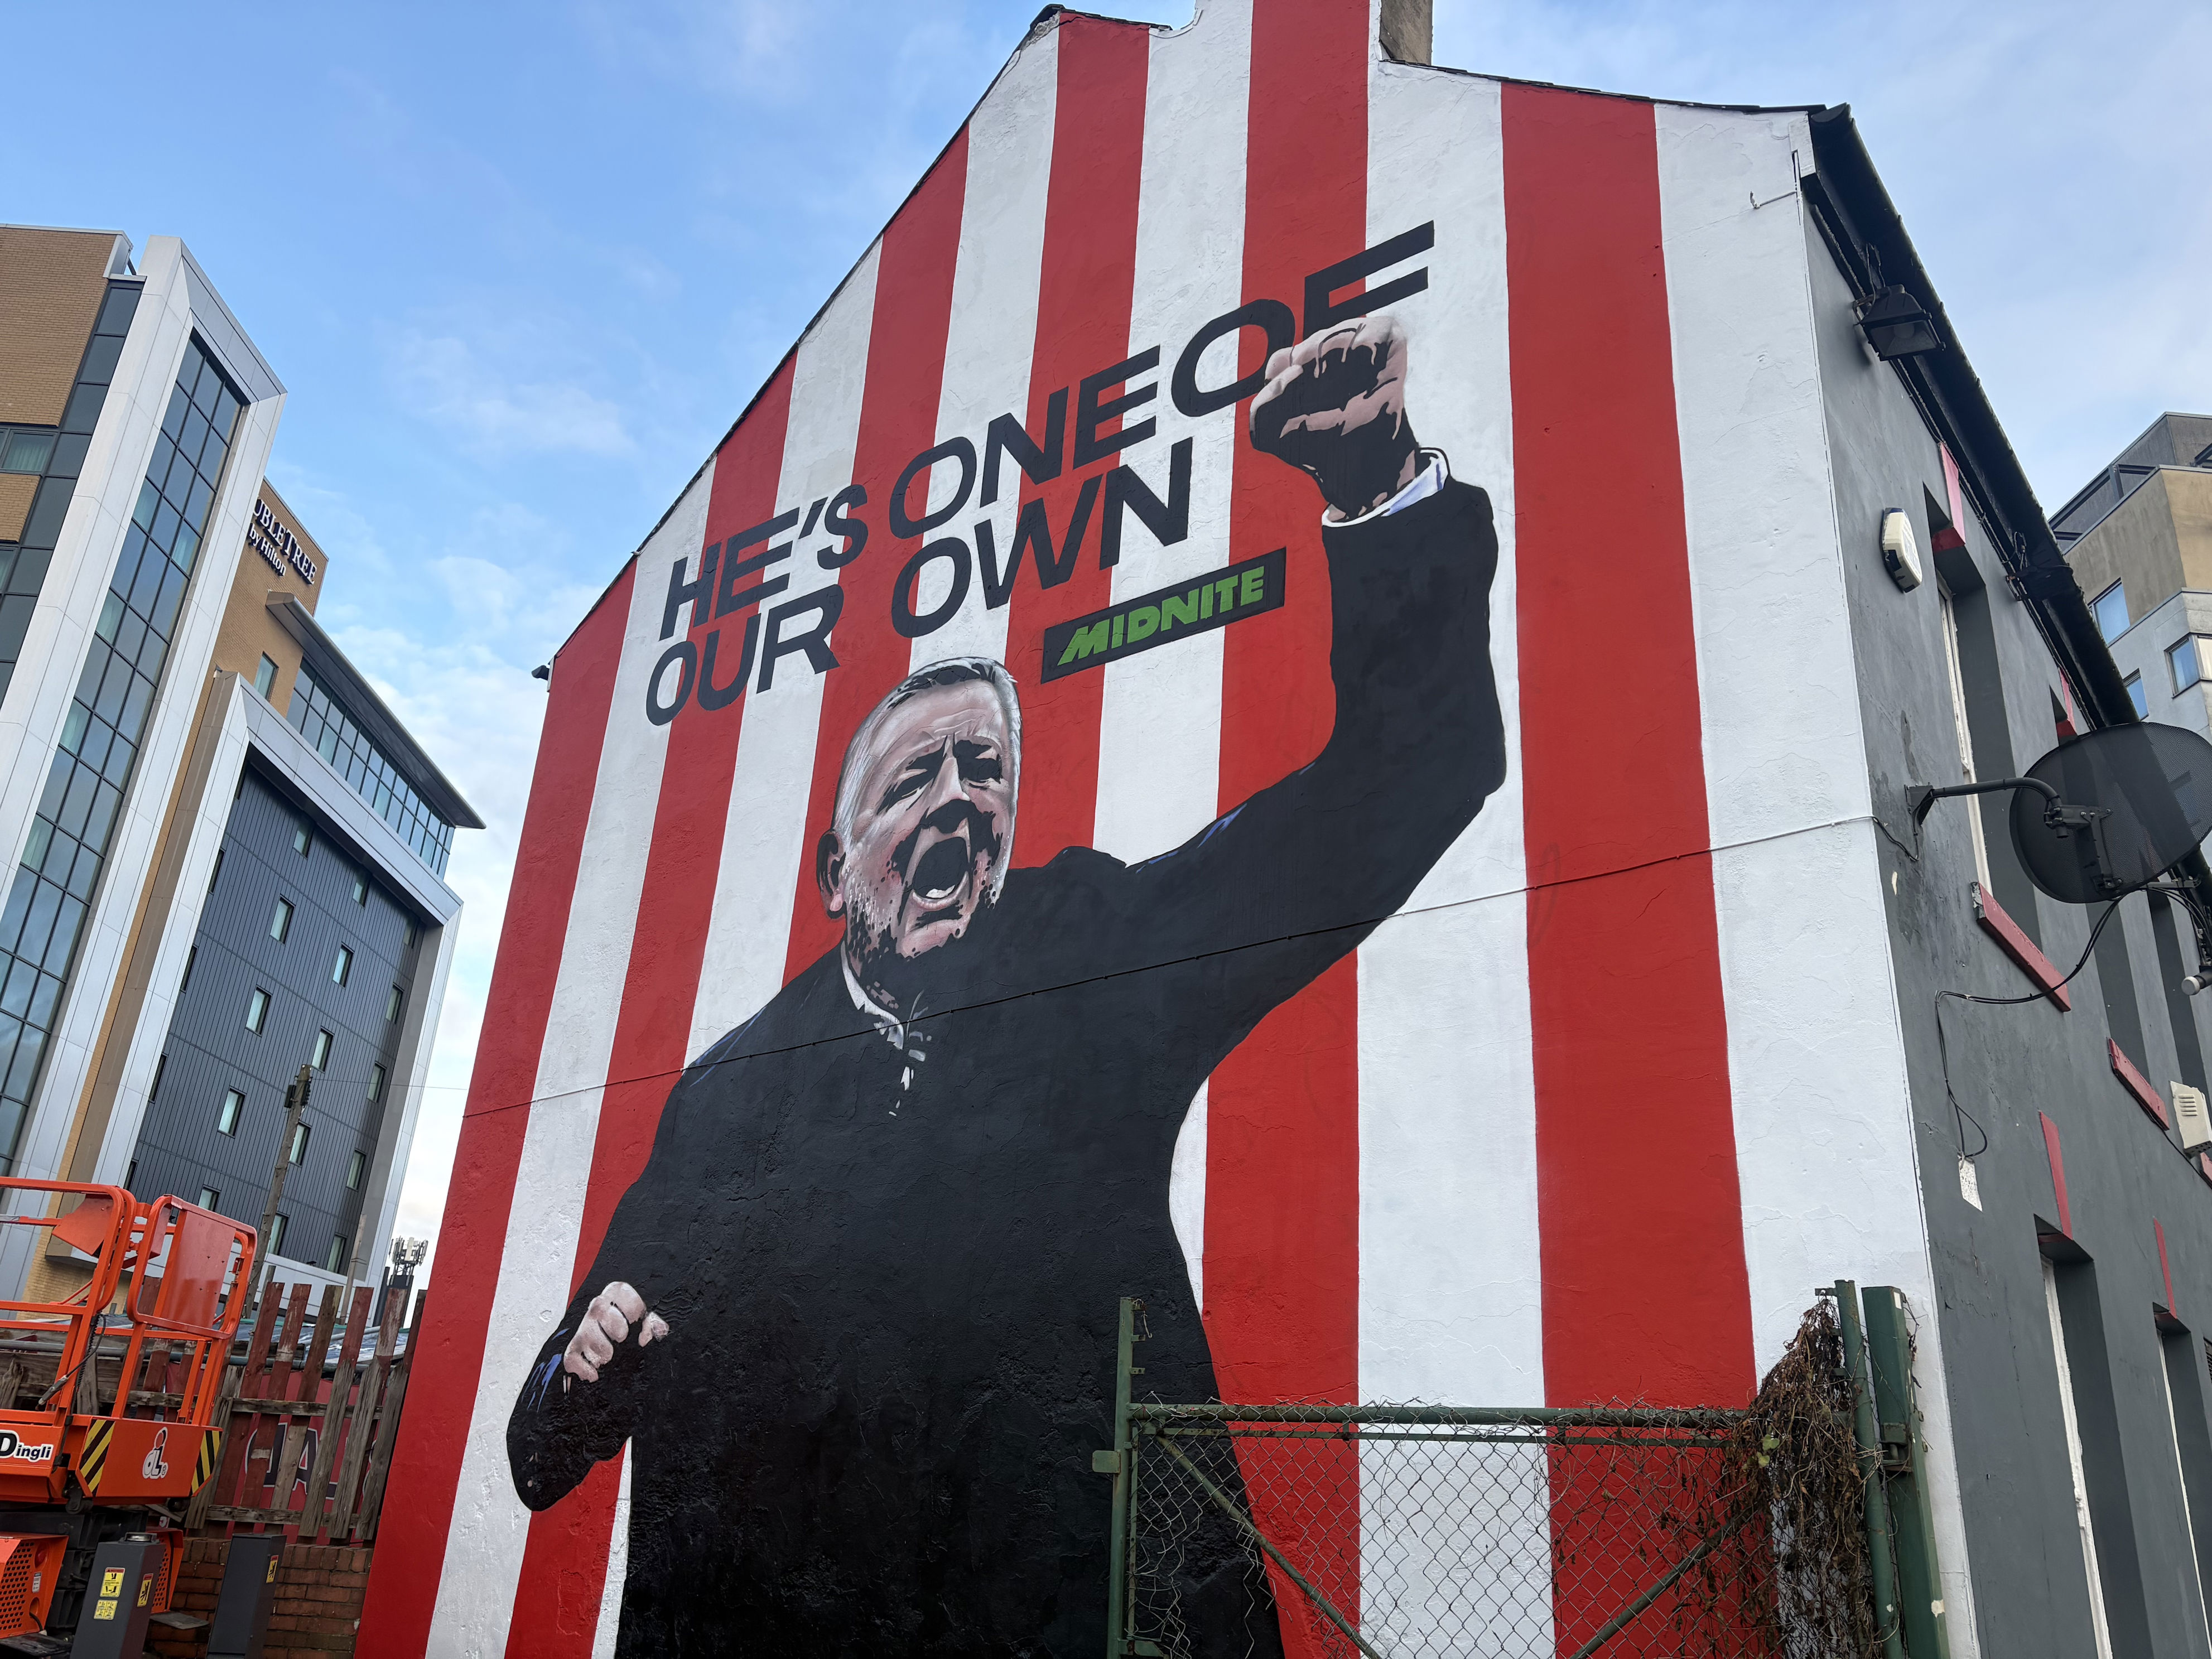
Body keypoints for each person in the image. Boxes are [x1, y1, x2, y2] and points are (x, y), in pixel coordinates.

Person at [507, 314, 1505, 1655]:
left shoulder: (1092, 954)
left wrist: (1376, 488)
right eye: (913, 780)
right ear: (835, 869)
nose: (958, 801)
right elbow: (543, 1447)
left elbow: (1393, 786)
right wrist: (580, 1367)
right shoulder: (730, 1093)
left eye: (984, 773)